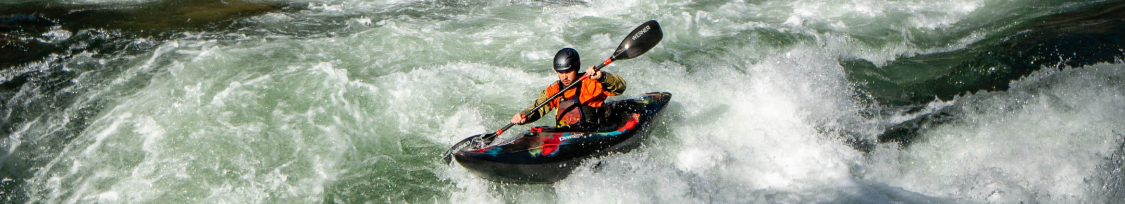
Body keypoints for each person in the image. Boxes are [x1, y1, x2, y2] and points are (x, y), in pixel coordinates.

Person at [509, 47, 626, 129]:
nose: (564, 77)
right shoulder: (554, 89)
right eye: (560, 72)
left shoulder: (590, 82)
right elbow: (538, 109)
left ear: (576, 69)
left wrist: (602, 77)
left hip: (593, 132)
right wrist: (523, 116)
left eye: (568, 72)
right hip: (567, 135)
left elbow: (620, 87)